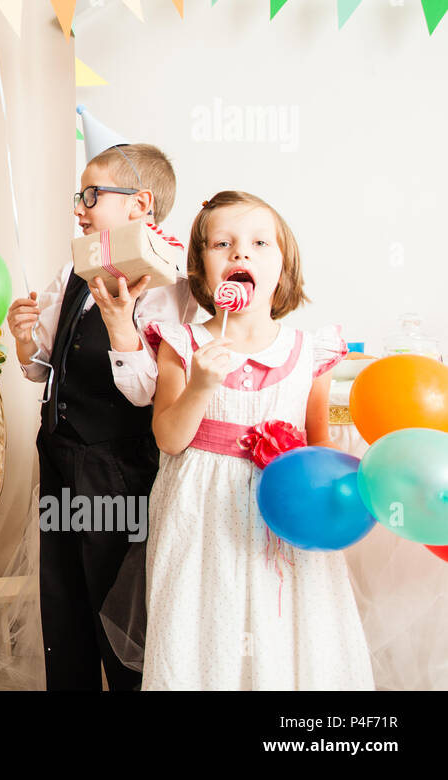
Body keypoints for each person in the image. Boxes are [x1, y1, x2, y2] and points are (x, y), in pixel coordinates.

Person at [138, 190, 372, 689]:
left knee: (282, 622)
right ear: (200, 270)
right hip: (199, 518)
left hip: (284, 518)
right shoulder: (182, 345)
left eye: (260, 243)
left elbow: (319, 447)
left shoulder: (310, 351)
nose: (241, 253)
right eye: (222, 243)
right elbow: (169, 439)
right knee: (201, 621)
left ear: (283, 268)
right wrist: (201, 383)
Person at [6, 139, 195, 690]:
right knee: (63, 599)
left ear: (139, 204)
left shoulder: (170, 282)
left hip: (118, 463)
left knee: (116, 602)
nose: (79, 207)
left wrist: (121, 325)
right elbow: (46, 366)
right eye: (78, 195)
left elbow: (152, 395)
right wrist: (24, 342)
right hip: (61, 453)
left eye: (92, 194)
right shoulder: (74, 267)